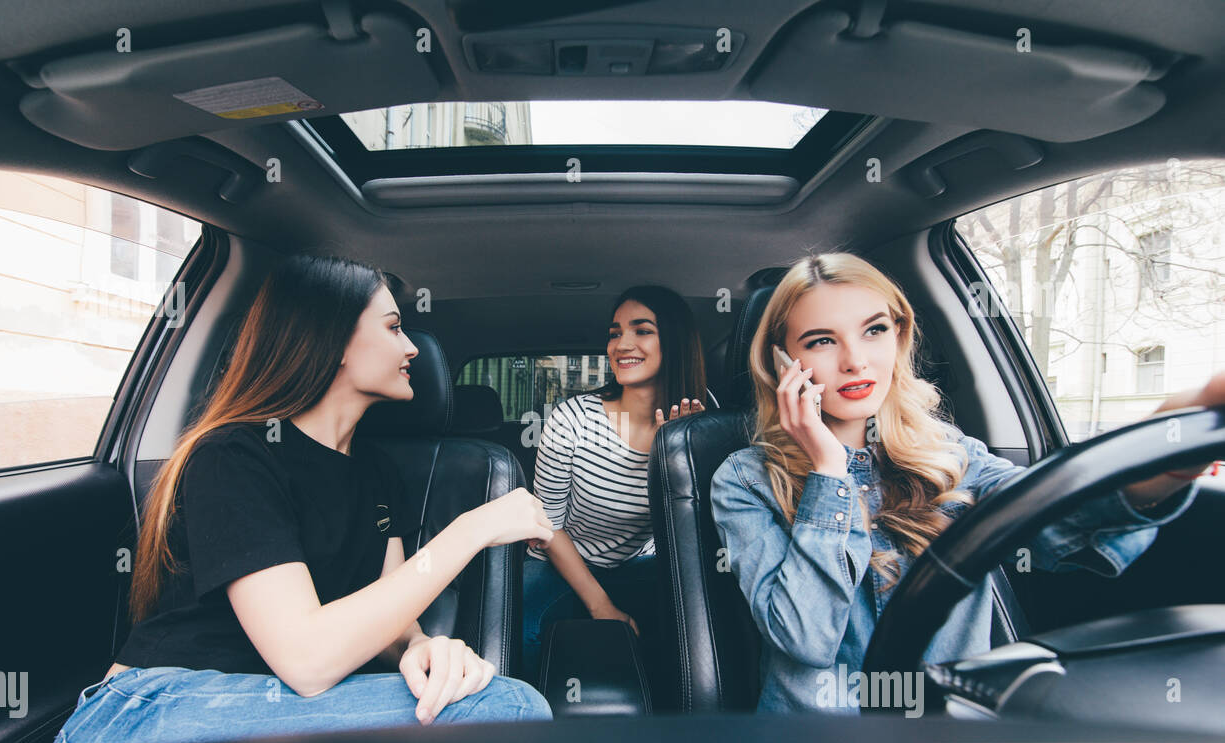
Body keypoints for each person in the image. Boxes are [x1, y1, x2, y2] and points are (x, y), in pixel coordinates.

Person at [48, 255, 555, 743]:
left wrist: (423, 649)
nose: (410, 348)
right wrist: (472, 528)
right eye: (395, 327)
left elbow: (394, 620)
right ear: (331, 339)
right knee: (506, 710)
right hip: (149, 710)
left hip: (269, 709)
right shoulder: (233, 457)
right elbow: (307, 659)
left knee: (481, 704)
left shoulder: (377, 472)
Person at [710, 252, 1220, 714]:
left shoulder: (952, 454)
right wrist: (828, 469)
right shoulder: (744, 481)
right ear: (783, 361)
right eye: (822, 341)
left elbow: (1053, 517)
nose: (855, 361)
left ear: (900, 336)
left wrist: (1159, 469)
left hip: (954, 732)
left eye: (874, 330)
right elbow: (805, 639)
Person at [521, 286, 708, 683]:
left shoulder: (697, 418)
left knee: (696, 629)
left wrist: (668, 461)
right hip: (560, 560)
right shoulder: (573, 419)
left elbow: (694, 536)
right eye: (614, 333)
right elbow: (547, 526)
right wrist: (601, 606)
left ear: (674, 341)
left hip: (640, 563)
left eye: (642, 331)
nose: (622, 344)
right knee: (521, 634)